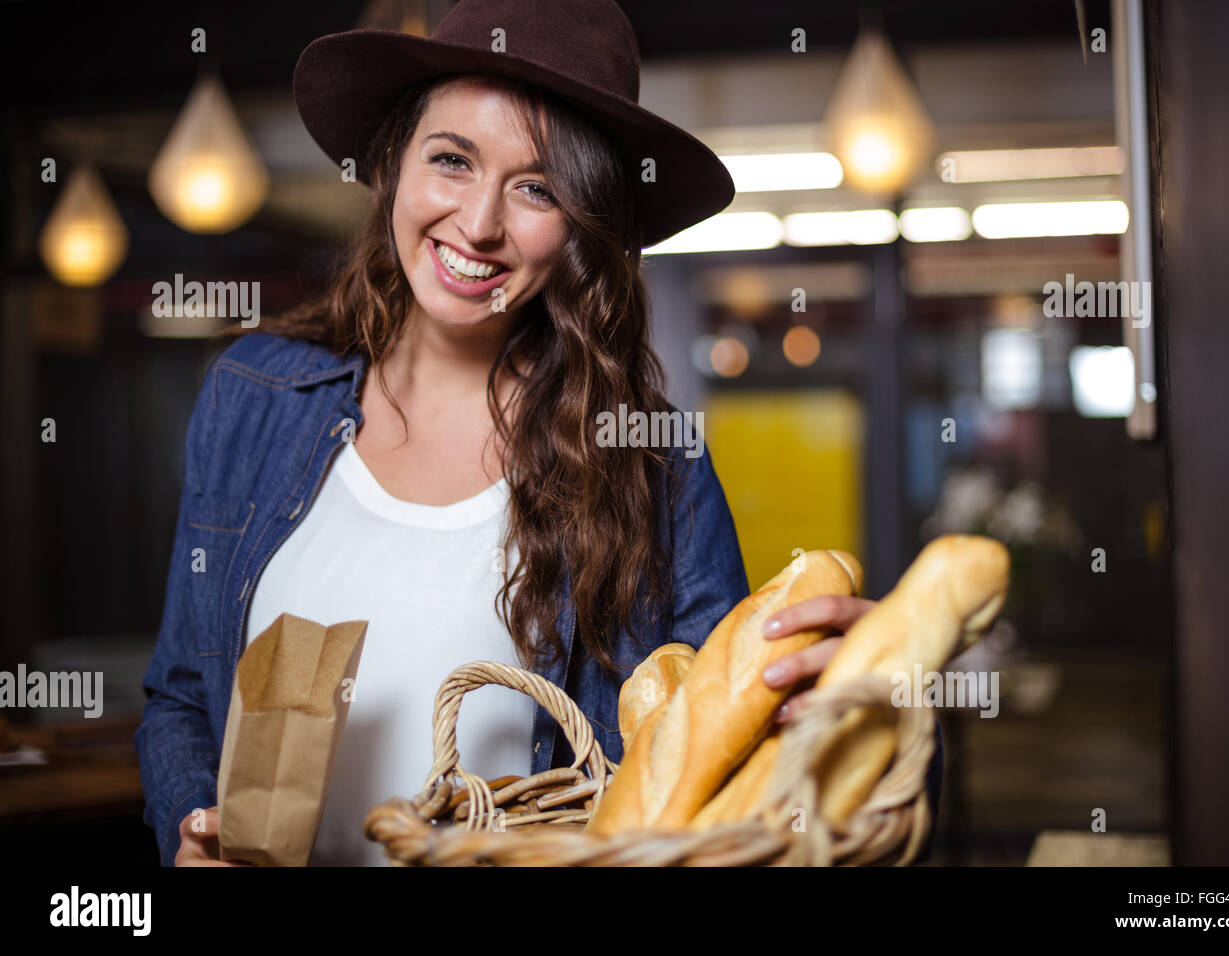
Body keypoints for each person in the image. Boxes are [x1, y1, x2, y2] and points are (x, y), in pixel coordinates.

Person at [135, 0, 941, 866]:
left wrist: (830, 709)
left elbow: (716, 763)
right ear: (393, 168)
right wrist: (190, 823)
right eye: (451, 160)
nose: (479, 224)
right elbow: (181, 695)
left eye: (536, 189)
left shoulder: (650, 463)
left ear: (584, 230)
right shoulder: (254, 396)